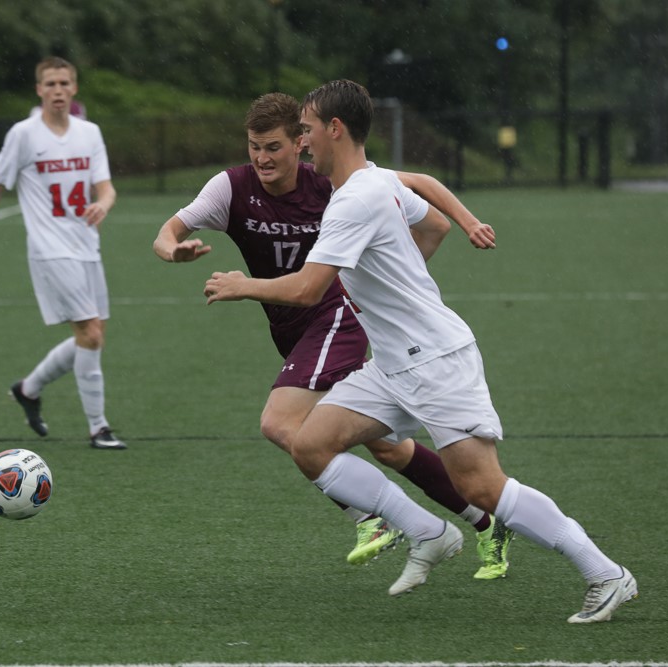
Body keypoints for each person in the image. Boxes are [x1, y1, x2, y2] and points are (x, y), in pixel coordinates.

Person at [204, 80, 636, 622]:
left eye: (307, 130)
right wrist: (398, 280)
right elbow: (432, 222)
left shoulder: (353, 200)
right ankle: (426, 531)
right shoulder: (374, 180)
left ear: (335, 129)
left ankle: (605, 573)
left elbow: (309, 289)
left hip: (434, 360)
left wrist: (243, 285)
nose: (303, 141)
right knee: (310, 445)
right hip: (391, 365)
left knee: (482, 486)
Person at [154, 93, 512, 579]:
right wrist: (172, 249)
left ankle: (385, 520)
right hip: (291, 327)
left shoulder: (332, 183)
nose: (262, 158)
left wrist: (467, 224)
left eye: (273, 147)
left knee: (280, 423)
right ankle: (485, 521)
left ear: (300, 143)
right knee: (386, 446)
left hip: (334, 315)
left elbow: (421, 187)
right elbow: (168, 231)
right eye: (255, 146)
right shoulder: (232, 187)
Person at [0, 56, 126, 450]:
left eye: (64, 83)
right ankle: (98, 428)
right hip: (50, 250)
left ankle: (28, 389)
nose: (58, 91)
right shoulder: (23, 135)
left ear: (74, 88)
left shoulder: (90, 133)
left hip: (87, 245)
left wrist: (104, 204)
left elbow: (106, 188)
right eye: (50, 84)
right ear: (39, 90)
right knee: (90, 333)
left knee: (93, 336)